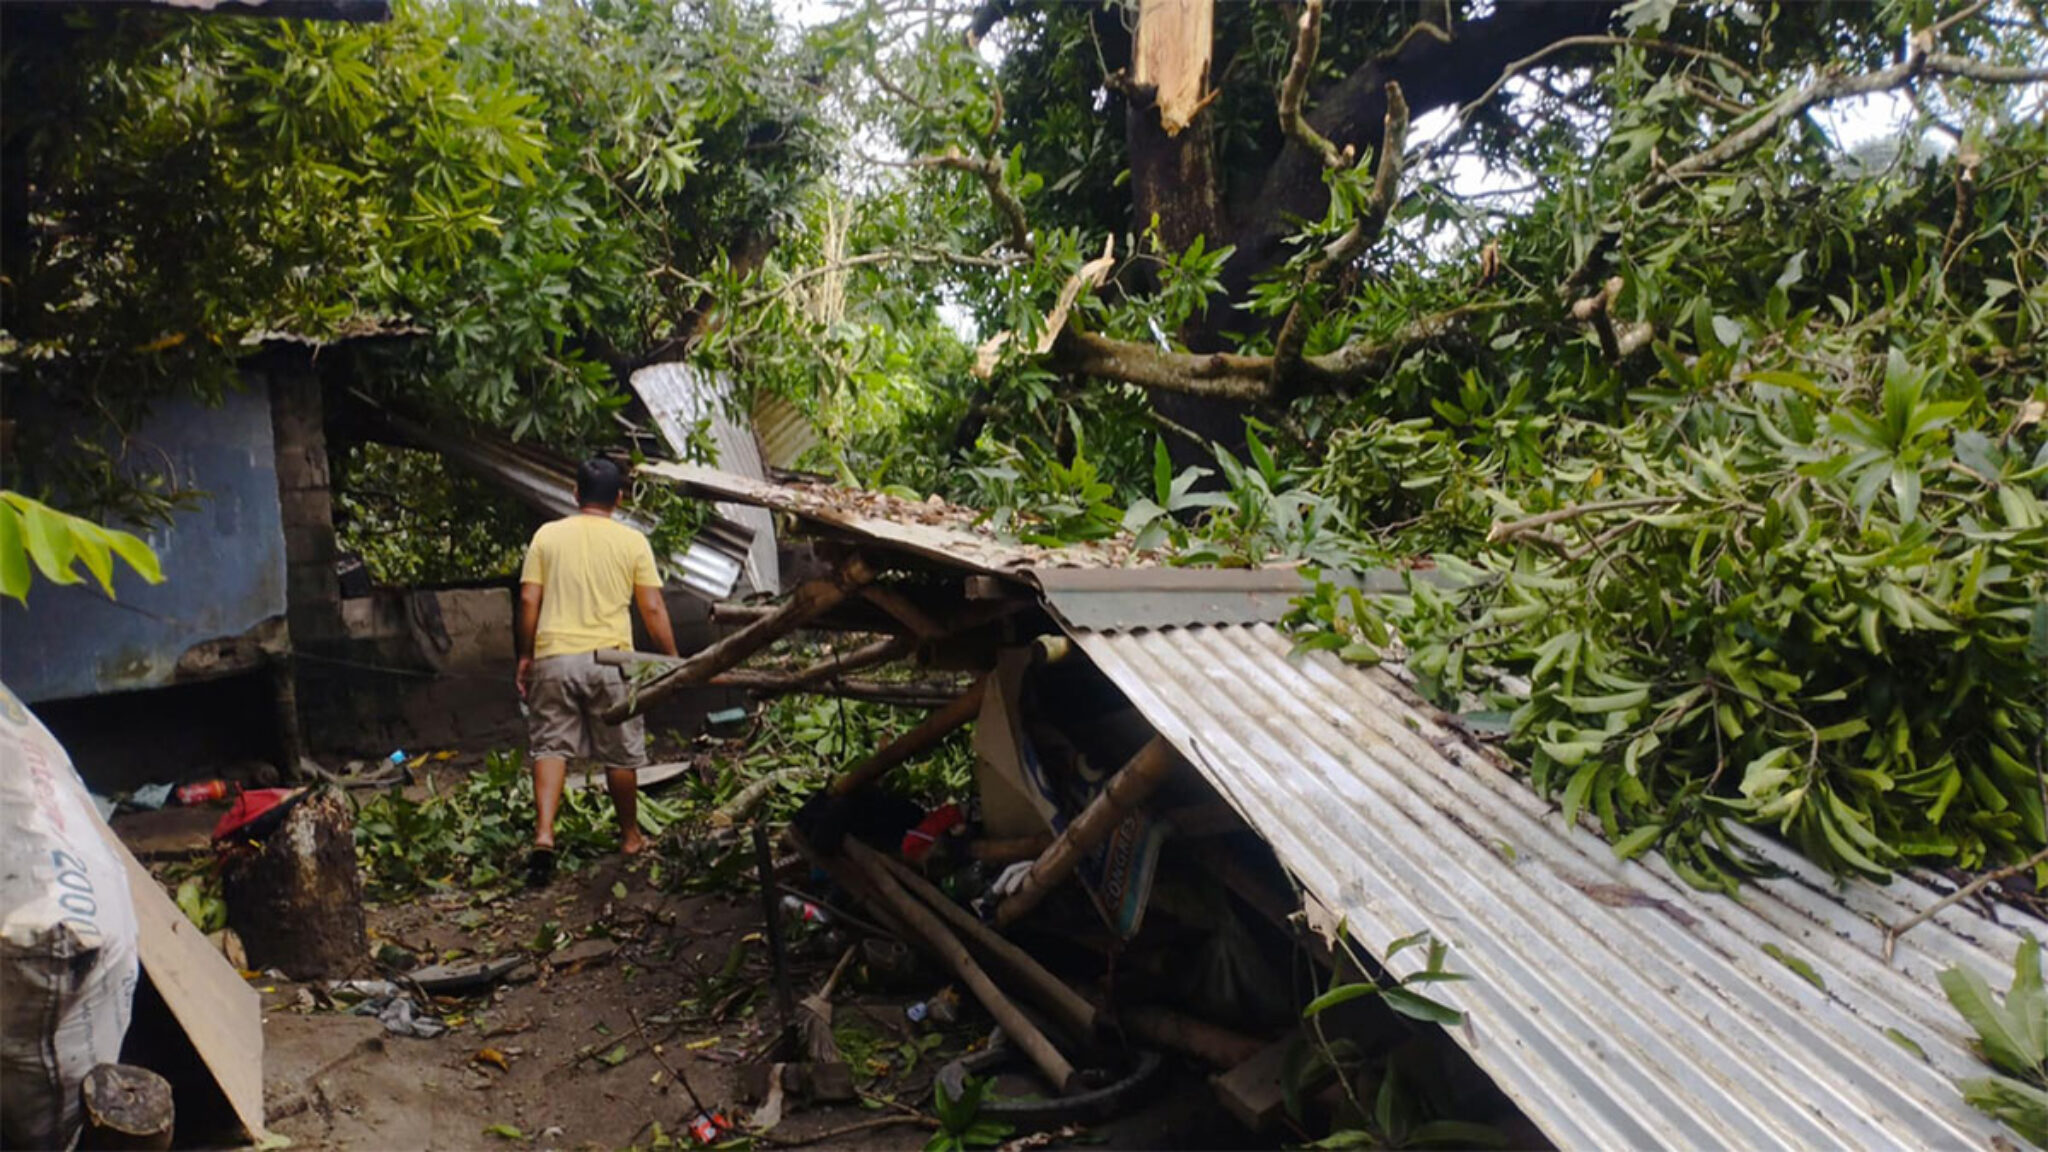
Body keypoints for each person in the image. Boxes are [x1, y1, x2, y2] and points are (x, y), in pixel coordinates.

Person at [515, 456, 679, 884]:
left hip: (555, 657)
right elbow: (652, 606)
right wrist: (673, 657)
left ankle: (545, 835)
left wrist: (526, 655)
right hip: (612, 661)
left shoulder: (547, 537)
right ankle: (629, 837)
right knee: (620, 752)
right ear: (620, 499)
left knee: (550, 747)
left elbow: (530, 600)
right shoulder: (633, 541)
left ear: (575, 494)